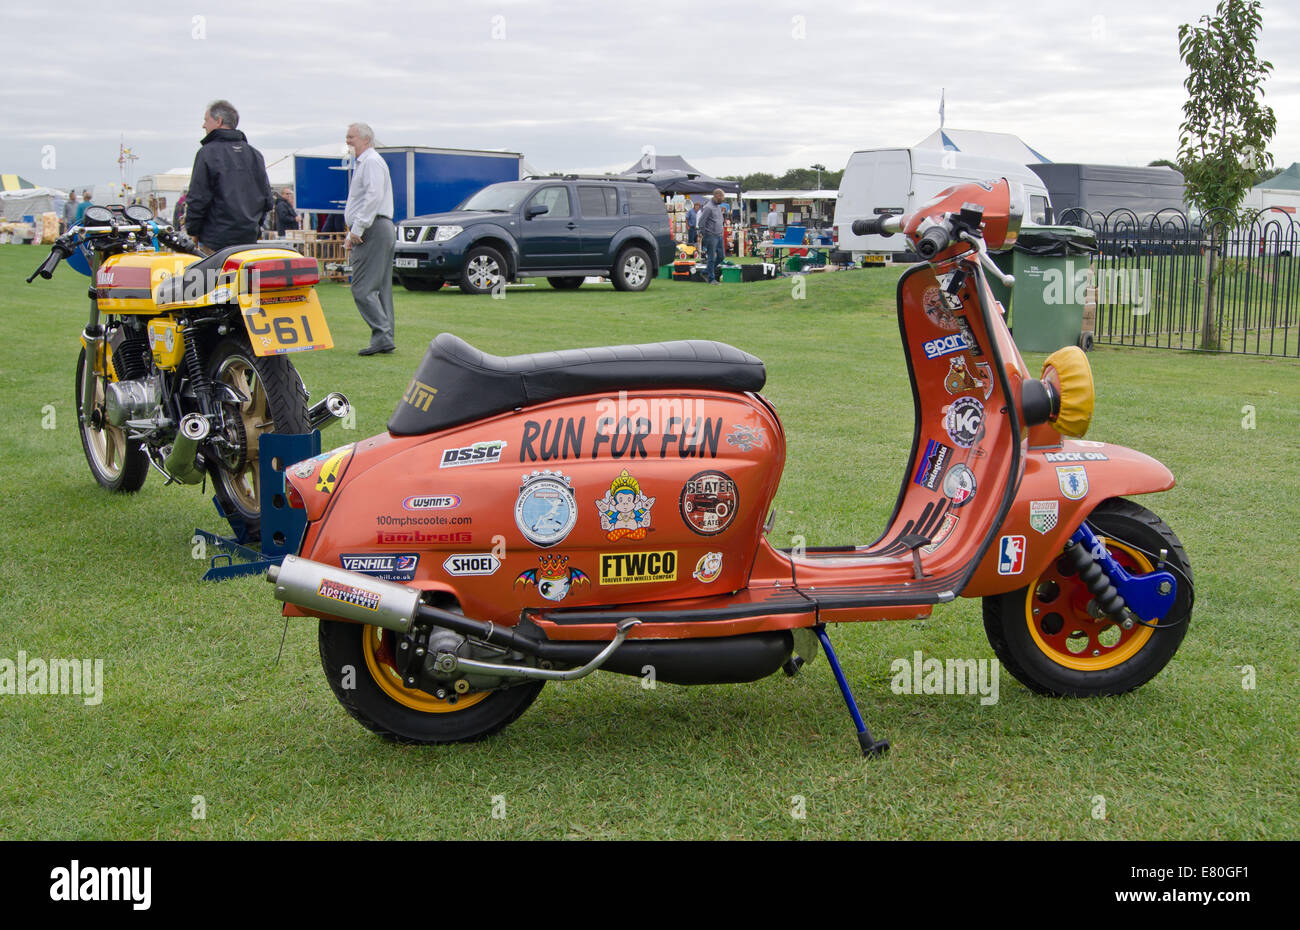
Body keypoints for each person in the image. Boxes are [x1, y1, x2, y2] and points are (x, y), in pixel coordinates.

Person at [184, 100, 274, 251]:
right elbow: (267, 200)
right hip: (248, 242)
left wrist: (193, 231)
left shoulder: (207, 153)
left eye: (206, 120)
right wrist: (255, 228)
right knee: (246, 276)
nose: (203, 125)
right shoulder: (255, 155)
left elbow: (198, 198)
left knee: (214, 275)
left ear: (218, 121)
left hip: (215, 242)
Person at [343, 122, 396, 356]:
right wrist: (353, 229)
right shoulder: (371, 162)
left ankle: (382, 334)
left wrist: (358, 228)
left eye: (351, 137)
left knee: (362, 288)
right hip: (379, 226)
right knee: (381, 288)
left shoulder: (371, 162)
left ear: (366, 139)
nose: (348, 141)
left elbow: (373, 197)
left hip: (373, 228)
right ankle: (385, 336)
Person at [697, 188, 726, 285]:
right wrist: (705, 233)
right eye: (722, 197)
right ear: (717, 196)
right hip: (711, 236)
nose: (723, 199)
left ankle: (706, 272)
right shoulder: (708, 207)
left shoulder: (718, 207)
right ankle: (711, 279)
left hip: (719, 235)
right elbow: (701, 222)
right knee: (711, 258)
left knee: (721, 257)